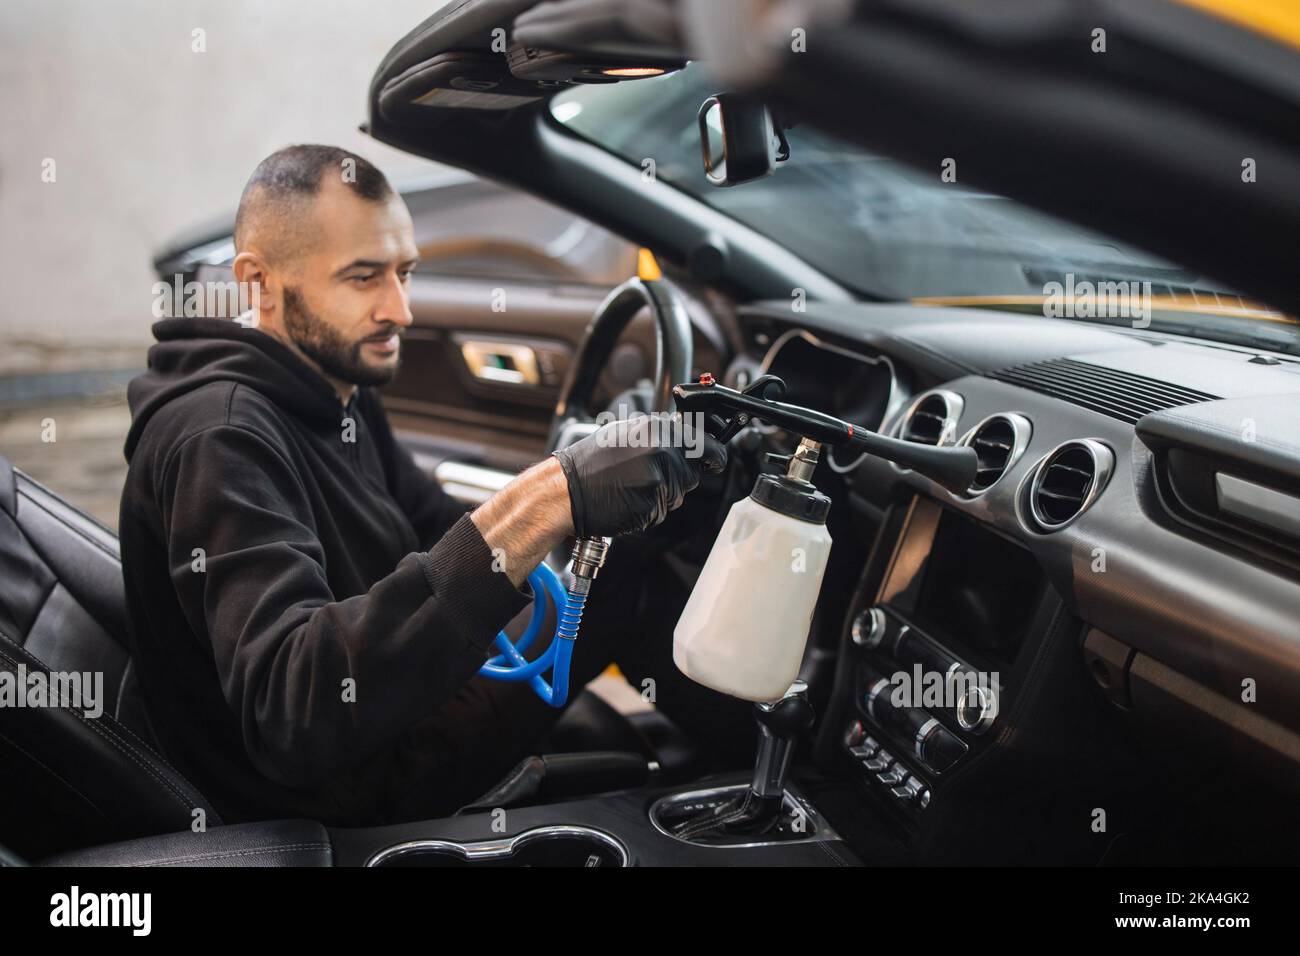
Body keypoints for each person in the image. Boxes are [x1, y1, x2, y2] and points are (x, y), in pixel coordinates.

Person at [120, 144, 738, 826]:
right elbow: (294, 712)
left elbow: (438, 528)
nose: (401, 310)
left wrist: (606, 493)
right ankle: (780, 769)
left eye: (405, 273)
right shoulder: (220, 438)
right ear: (259, 284)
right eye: (363, 278)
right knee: (629, 574)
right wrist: (551, 497)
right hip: (347, 787)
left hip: (389, 711)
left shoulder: (335, 389)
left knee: (630, 546)